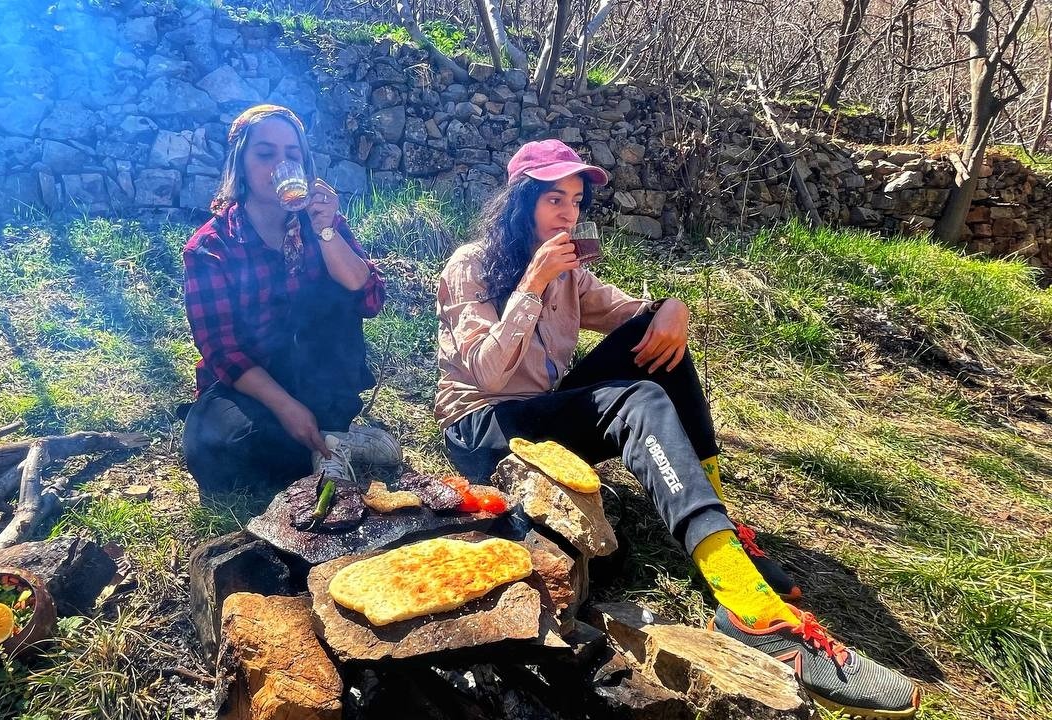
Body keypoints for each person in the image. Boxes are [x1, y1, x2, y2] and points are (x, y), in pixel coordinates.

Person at [434, 138, 919, 718]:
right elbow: (487, 372)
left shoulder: (570, 274)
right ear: (521, 203)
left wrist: (671, 309)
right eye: (553, 200)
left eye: (576, 201)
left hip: (544, 411)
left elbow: (634, 315)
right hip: (482, 426)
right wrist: (531, 286)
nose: (568, 214)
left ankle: (726, 534)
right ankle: (746, 606)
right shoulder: (471, 264)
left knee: (663, 347)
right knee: (637, 399)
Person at [180, 104, 400, 496]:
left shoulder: (321, 222)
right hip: (250, 384)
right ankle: (338, 440)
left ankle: (331, 434)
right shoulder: (210, 248)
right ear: (240, 164)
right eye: (265, 154)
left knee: (335, 291)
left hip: (317, 374)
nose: (280, 165)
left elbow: (368, 298)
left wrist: (326, 230)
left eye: (291, 155)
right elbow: (223, 351)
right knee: (218, 453)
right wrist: (285, 407)